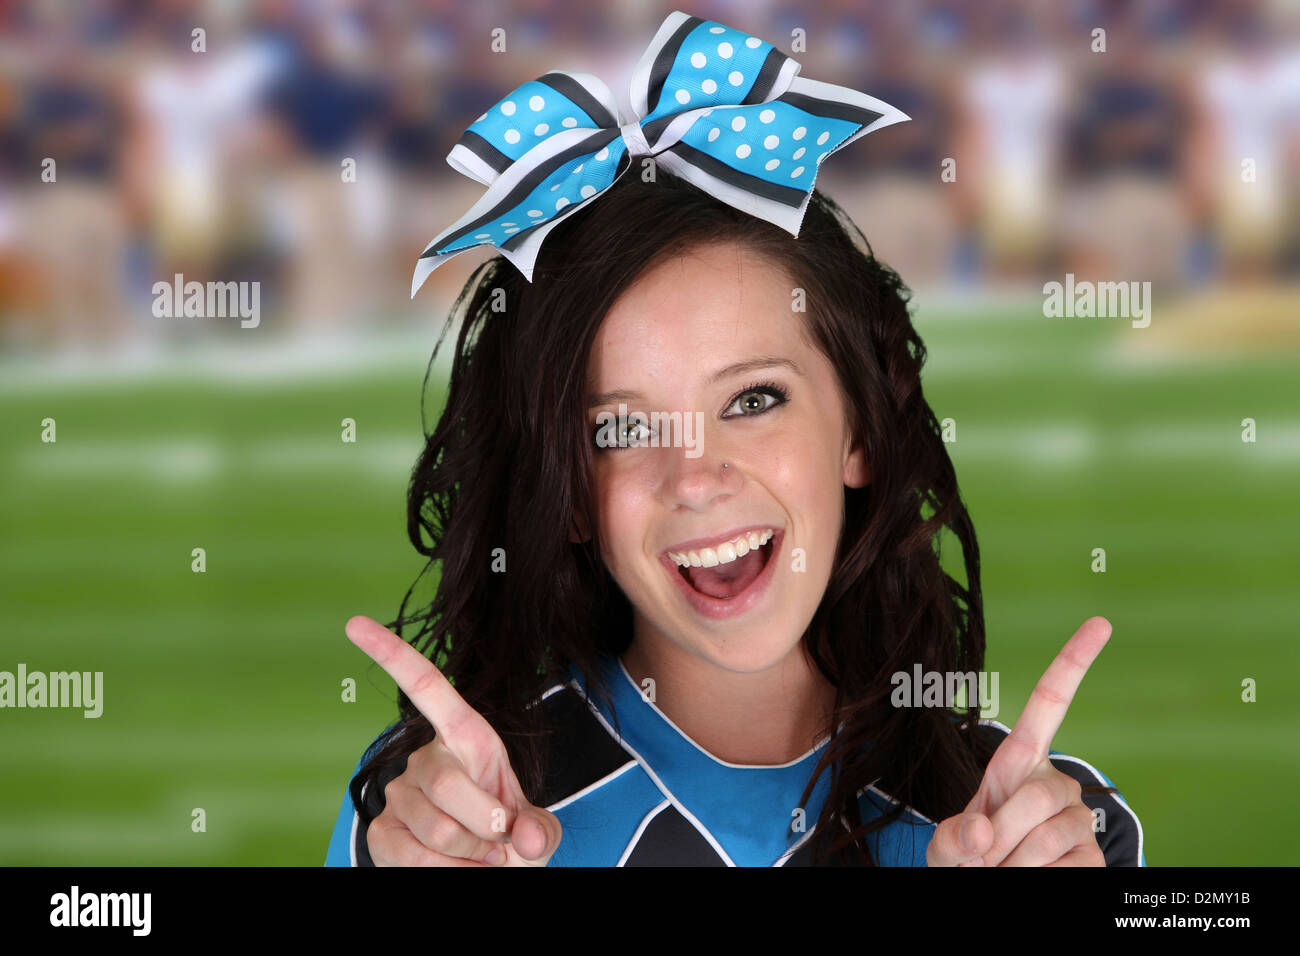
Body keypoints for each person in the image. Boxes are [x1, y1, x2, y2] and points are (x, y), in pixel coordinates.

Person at [325, 12, 1143, 868]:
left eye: (754, 398)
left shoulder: (1049, 835)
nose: (697, 476)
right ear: (567, 491)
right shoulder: (434, 820)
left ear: (861, 428)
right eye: (622, 427)